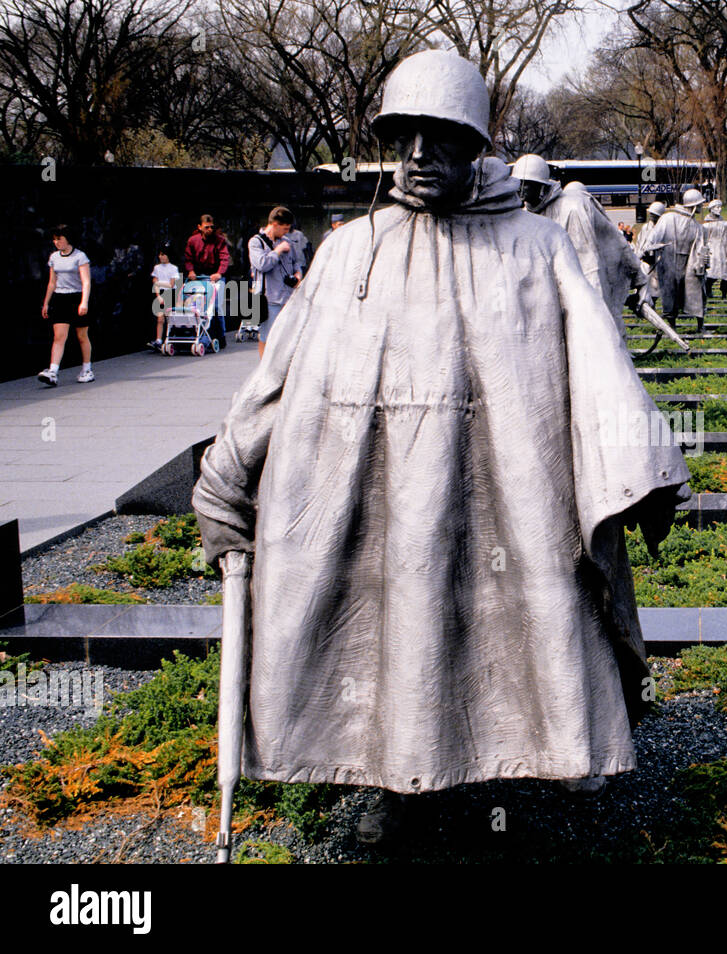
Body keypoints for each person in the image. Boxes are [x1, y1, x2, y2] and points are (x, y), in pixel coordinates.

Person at [190, 49, 690, 842]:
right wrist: (225, 478)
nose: (421, 155)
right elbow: (279, 376)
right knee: (390, 631)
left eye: (444, 136)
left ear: (477, 144)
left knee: (509, 630)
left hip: (508, 500)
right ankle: (398, 789)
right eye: (407, 136)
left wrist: (644, 466)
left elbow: (600, 366)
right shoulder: (352, 251)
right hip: (377, 495)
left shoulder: (536, 248)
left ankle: (512, 776)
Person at [514, 156, 644, 337]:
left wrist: (594, 309)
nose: (520, 189)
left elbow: (590, 264)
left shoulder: (572, 207)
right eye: (518, 182)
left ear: (541, 184)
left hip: (580, 285)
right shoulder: (525, 214)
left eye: (526, 183)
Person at [640, 188, 709, 333]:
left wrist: (704, 259)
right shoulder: (668, 218)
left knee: (699, 293)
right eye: (700, 204)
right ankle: (672, 325)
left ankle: (700, 325)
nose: (702, 207)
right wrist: (648, 249)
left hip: (689, 265)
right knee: (669, 295)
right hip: (669, 263)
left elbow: (702, 248)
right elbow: (653, 237)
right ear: (694, 205)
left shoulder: (698, 227)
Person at [37, 225, 94, 386]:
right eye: (54, 239)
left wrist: (84, 302)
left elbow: (86, 281)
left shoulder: (80, 256)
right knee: (59, 337)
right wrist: (46, 303)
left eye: (59, 239)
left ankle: (87, 369)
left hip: (76, 297)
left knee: (82, 336)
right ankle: (53, 371)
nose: (56, 242)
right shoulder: (54, 257)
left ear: (67, 238)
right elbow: (52, 282)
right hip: (60, 298)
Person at [248, 206, 303, 358]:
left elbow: (296, 263)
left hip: (287, 296)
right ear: (274, 224)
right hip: (268, 298)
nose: (286, 232)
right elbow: (262, 264)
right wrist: (278, 251)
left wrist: (298, 274)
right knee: (266, 337)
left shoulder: (287, 241)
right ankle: (264, 371)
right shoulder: (256, 242)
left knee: (287, 338)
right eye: (284, 228)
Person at [183, 213, 230, 348]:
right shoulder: (193, 240)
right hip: (199, 276)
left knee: (215, 306)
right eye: (207, 227)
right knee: (197, 307)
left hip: (215, 275)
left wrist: (219, 273)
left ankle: (221, 336)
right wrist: (190, 270)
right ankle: (197, 334)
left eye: (212, 227)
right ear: (200, 227)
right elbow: (188, 258)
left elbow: (224, 258)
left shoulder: (220, 240)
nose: (210, 230)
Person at [701, 199, 727, 300]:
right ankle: (708, 292)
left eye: (720, 207)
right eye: (717, 207)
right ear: (711, 209)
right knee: (710, 276)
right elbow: (702, 243)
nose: (720, 209)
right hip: (712, 255)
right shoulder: (705, 226)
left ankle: (724, 295)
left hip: (724, 254)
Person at [633, 201, 667, 306]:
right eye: (651, 214)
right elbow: (639, 243)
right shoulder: (645, 228)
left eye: (655, 215)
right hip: (645, 260)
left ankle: (652, 304)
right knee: (643, 283)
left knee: (655, 286)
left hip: (657, 262)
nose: (652, 217)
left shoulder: (663, 228)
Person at [149, 249, 180, 351]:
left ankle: (172, 339)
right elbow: (155, 282)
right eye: (160, 254)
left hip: (170, 294)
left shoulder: (173, 268)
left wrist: (159, 283)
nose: (161, 256)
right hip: (161, 294)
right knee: (160, 319)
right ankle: (158, 340)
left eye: (163, 254)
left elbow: (171, 284)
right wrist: (158, 295)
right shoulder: (156, 268)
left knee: (170, 318)